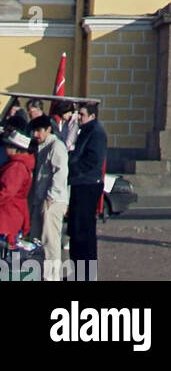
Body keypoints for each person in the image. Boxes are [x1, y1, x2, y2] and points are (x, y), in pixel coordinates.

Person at [67, 101, 107, 279]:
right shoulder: (85, 130)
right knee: (76, 231)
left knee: (84, 231)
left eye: (81, 114)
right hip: (79, 184)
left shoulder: (96, 132)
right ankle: (78, 272)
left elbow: (92, 160)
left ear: (92, 116)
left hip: (87, 184)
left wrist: (72, 169)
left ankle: (86, 275)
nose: (78, 118)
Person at [29, 115, 68, 281]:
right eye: (34, 131)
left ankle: (52, 277)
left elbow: (60, 172)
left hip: (53, 201)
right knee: (37, 239)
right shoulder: (41, 146)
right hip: (41, 199)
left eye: (39, 131)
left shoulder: (56, 146)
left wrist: (51, 197)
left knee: (50, 242)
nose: (36, 134)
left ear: (48, 130)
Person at [0, 130, 35, 247]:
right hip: (15, 212)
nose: (6, 148)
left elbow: (6, 192)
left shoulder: (16, 167)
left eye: (9, 145)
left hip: (7, 215)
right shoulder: (20, 164)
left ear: (16, 148)